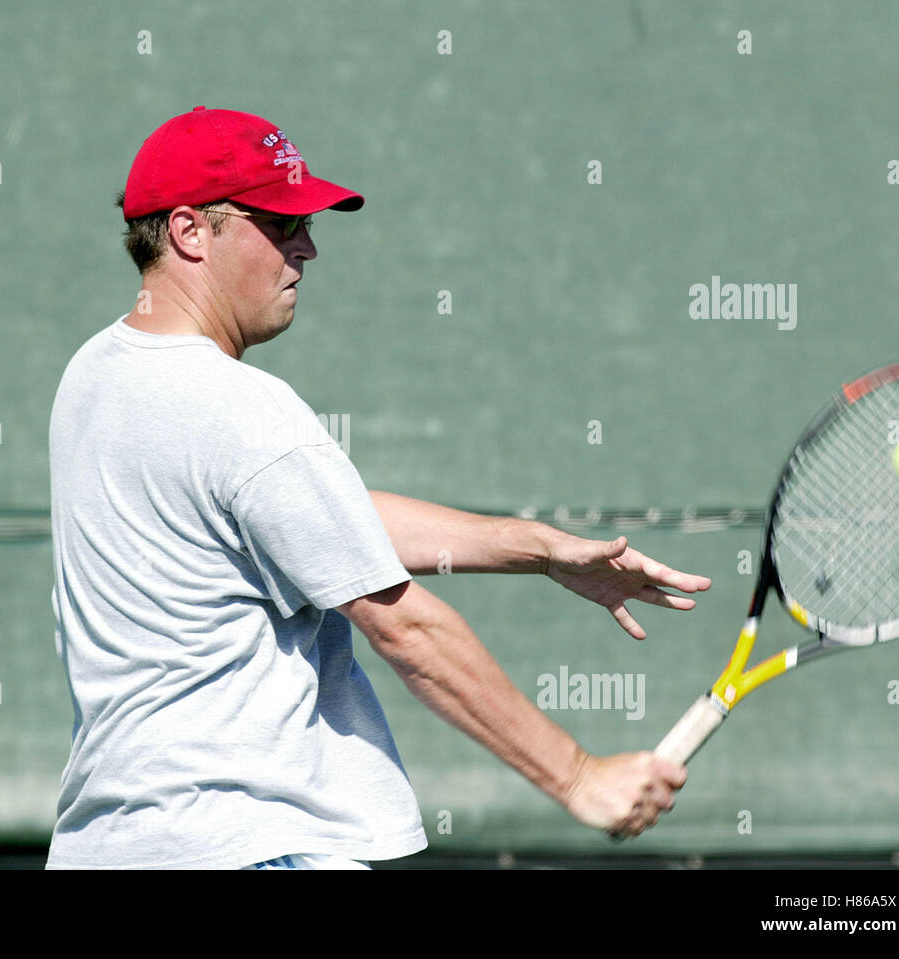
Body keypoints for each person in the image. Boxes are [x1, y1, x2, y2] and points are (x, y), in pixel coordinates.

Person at [45, 106, 709, 870]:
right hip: (256, 844)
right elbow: (406, 628)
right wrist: (579, 775)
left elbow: (318, 528)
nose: (308, 249)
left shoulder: (93, 378)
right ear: (192, 231)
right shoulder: (243, 410)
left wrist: (539, 549)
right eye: (280, 224)